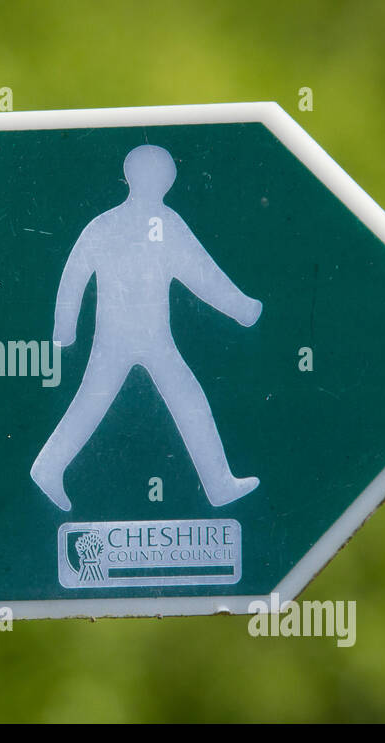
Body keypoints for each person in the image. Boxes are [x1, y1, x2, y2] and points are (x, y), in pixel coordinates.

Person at [30, 144, 263, 511]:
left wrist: (241, 307)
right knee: (117, 403)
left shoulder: (114, 224)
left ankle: (218, 484)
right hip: (126, 338)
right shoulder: (155, 224)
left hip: (149, 338)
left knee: (172, 400)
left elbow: (201, 275)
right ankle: (47, 467)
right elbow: (203, 277)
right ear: (160, 179)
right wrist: (242, 308)